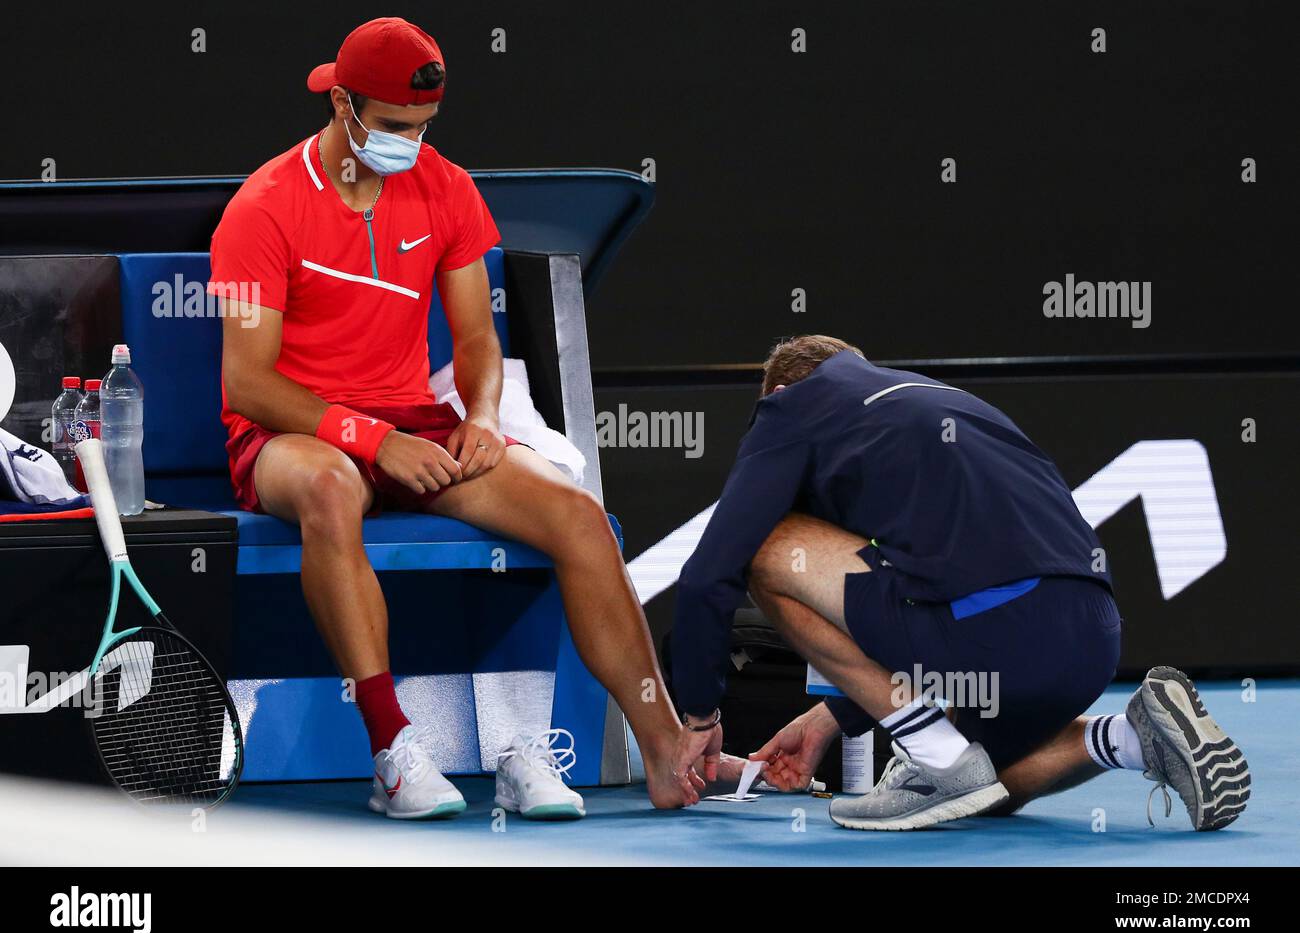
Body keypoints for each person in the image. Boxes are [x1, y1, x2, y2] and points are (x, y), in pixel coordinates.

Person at [208, 17, 709, 820]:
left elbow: (477, 337)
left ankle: (664, 747)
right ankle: (393, 751)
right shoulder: (261, 208)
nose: (413, 142)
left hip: (415, 421)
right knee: (334, 490)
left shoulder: (443, 184)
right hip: (291, 435)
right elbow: (247, 384)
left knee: (578, 518)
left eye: (424, 126)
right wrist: (374, 440)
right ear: (341, 103)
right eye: (395, 125)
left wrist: (480, 414)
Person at [670, 334, 1250, 831]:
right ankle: (1128, 736)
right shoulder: (944, 401)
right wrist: (830, 718)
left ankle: (935, 755)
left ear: (778, 392)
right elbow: (914, 587)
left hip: (996, 631)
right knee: (974, 795)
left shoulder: (793, 406)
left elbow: (706, 578)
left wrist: (700, 718)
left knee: (767, 552)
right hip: (1091, 640)